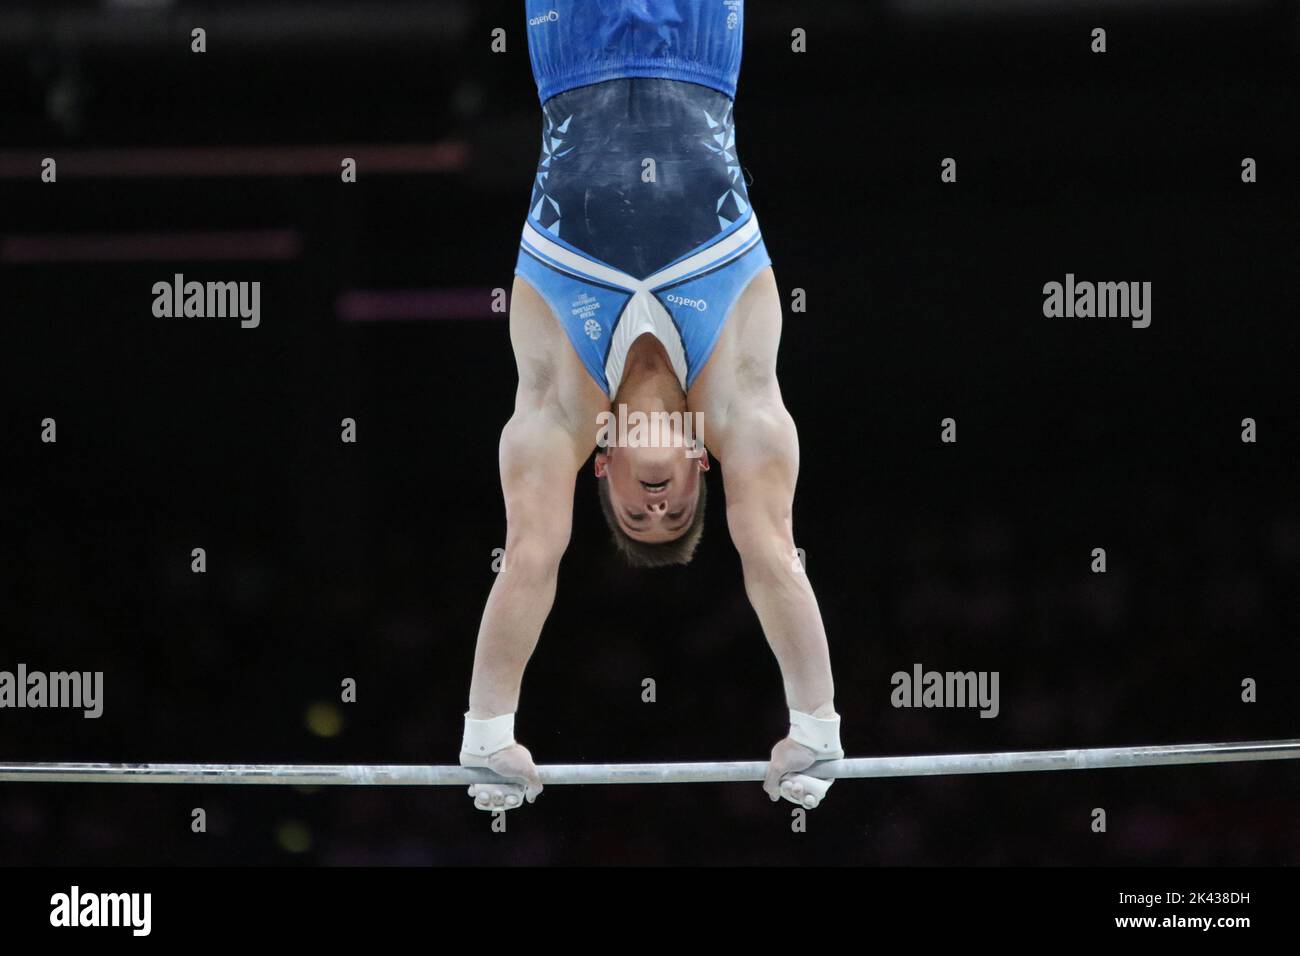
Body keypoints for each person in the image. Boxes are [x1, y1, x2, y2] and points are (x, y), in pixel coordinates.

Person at [460, 0, 842, 811]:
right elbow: (772, 550)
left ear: (602, 469)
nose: (659, 506)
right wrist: (816, 727)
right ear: (707, 464)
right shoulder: (742, 403)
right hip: (699, 54)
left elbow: (529, 556)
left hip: (572, 60)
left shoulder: (559, 410)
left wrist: (488, 731)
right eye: (677, 513)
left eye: (637, 516)